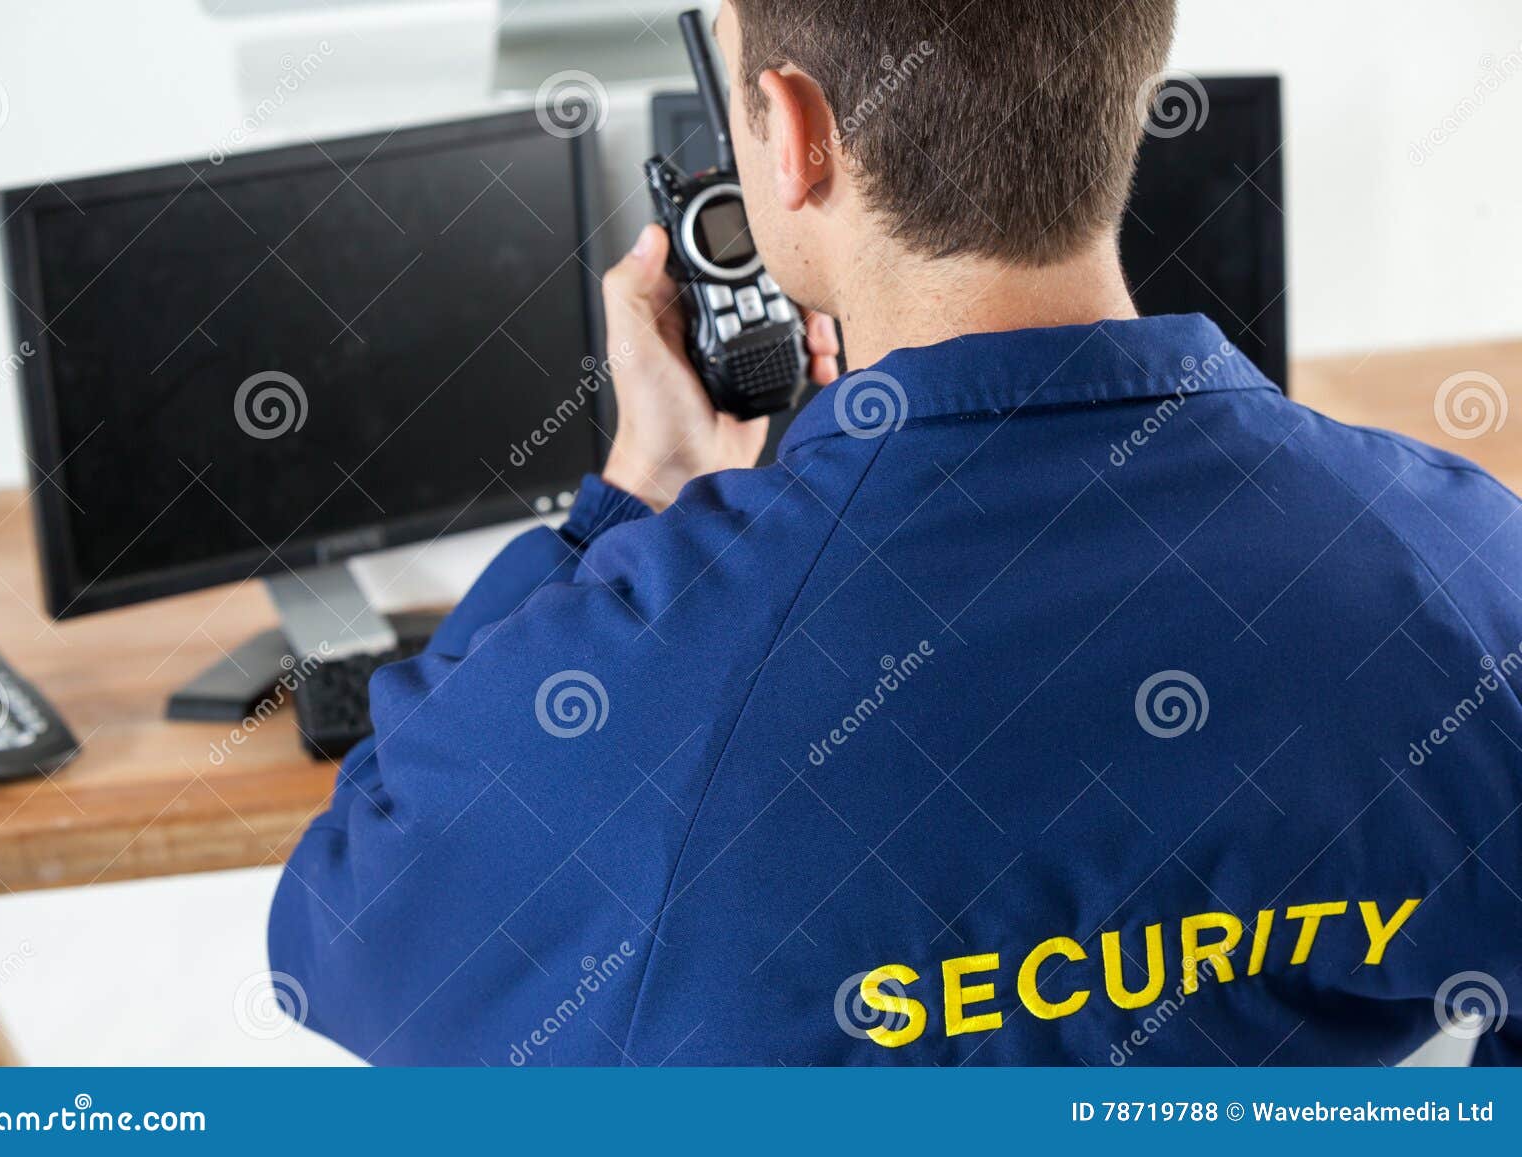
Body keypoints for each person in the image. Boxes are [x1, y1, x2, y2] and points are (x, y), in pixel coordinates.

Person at [269, 0, 1522, 1065]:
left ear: (798, 136)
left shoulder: (642, 686)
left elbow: (348, 934)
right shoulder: (1465, 574)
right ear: (1126, 92)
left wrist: (634, 495)